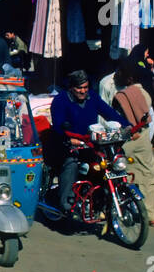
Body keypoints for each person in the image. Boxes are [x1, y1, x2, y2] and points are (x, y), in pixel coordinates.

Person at [49, 70, 134, 214]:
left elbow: (109, 113)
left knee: (110, 163)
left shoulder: (92, 97)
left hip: (91, 143)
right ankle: (67, 203)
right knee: (71, 165)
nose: (83, 91)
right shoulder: (60, 100)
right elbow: (58, 124)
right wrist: (69, 138)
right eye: (79, 88)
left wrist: (127, 125)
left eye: (85, 87)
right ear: (71, 87)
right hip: (68, 144)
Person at [112, 64, 154, 226]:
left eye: (119, 72)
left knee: (121, 174)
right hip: (144, 138)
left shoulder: (123, 95)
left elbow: (117, 120)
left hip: (128, 139)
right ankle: (151, 214)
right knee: (148, 175)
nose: (115, 76)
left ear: (129, 78)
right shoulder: (145, 93)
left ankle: (122, 209)